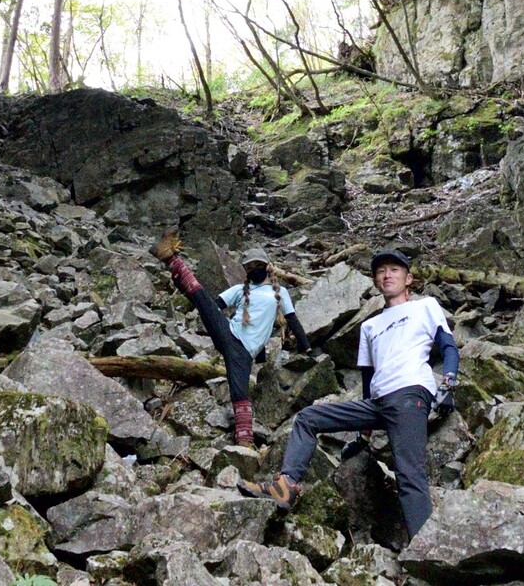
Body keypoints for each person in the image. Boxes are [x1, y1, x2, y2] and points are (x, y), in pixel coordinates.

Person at [237, 248, 458, 541]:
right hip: (380, 404)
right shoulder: (369, 326)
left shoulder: (425, 306)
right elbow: (370, 382)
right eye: (381, 271)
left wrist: (449, 382)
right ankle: (286, 486)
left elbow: (448, 347)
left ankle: (427, 552)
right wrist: (363, 435)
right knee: (307, 418)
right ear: (376, 281)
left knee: (410, 477)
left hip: (410, 395)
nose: (387, 274)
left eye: (394, 270)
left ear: (409, 279)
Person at [150, 230, 312, 448]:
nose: (254, 269)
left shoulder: (280, 292)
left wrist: (306, 348)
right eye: (249, 266)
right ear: (246, 271)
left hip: (245, 351)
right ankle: (171, 260)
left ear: (266, 266)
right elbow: (212, 305)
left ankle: (244, 440)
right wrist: (209, 318)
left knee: (240, 390)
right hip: (230, 335)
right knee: (203, 300)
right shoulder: (239, 290)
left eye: (257, 265)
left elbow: (292, 319)